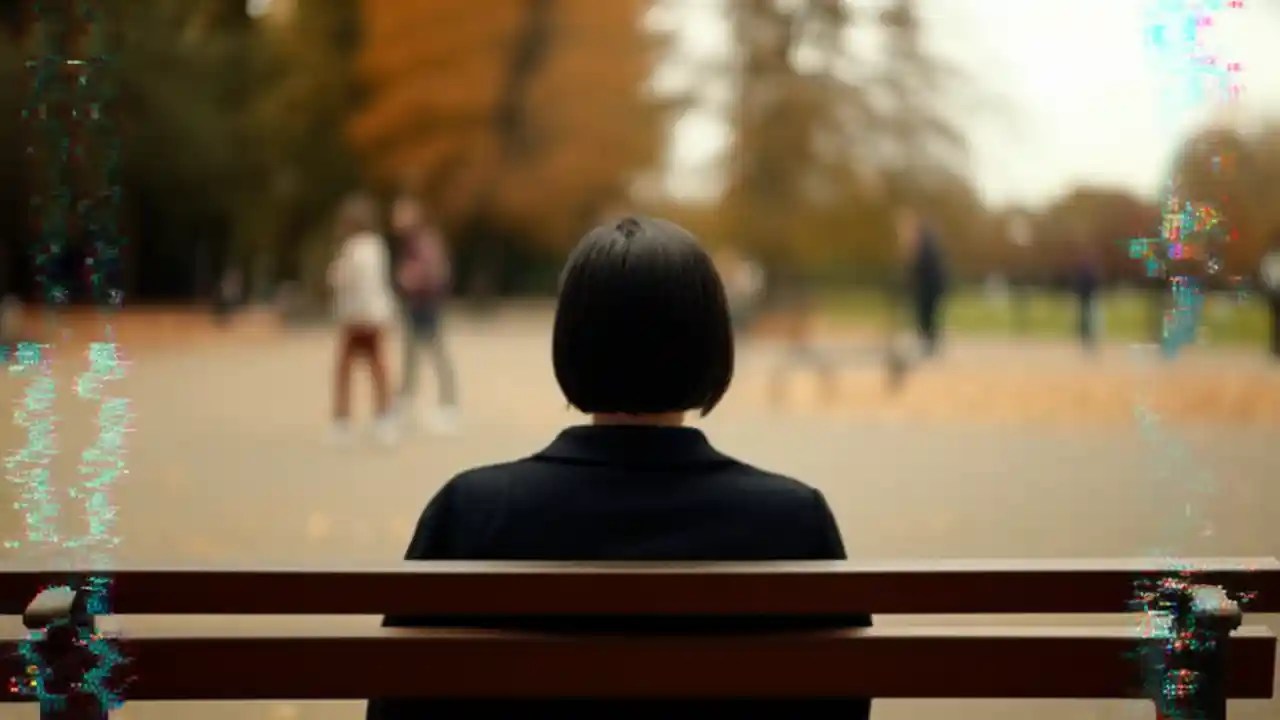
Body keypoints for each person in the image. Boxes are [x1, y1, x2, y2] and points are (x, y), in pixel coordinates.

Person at [367, 216, 870, 719]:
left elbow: (396, 706)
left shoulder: (469, 512)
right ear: (713, 346)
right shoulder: (792, 521)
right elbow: (843, 706)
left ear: (569, 344)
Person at [327, 194, 398, 445]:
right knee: (378, 369)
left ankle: (343, 420)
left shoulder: (354, 248)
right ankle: (385, 418)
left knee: (346, 369)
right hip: (376, 314)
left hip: (358, 316)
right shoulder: (377, 246)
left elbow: (344, 279)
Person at [390, 194, 459, 434]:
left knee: (436, 353)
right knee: (411, 356)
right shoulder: (409, 243)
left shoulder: (425, 241)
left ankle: (449, 406)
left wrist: (412, 277)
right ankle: (405, 404)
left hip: (426, 304)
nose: (396, 220)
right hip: (414, 304)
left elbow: (438, 272)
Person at [898, 208, 948, 358]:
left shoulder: (924, 244)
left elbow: (922, 268)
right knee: (925, 315)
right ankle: (927, 343)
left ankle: (929, 344)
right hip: (928, 287)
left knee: (927, 315)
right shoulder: (924, 243)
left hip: (931, 287)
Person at [1072, 243, 1102, 352]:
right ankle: (1086, 337)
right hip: (1086, 297)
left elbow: (1090, 283)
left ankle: (1087, 337)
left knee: (1087, 318)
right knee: (1087, 319)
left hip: (1086, 297)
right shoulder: (1087, 271)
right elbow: (1092, 283)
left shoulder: (1086, 271)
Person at [1261, 232, 1280, 360]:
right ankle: (1275, 348)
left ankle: (1275, 348)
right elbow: (1266, 274)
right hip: (1274, 291)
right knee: (1275, 321)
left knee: (1275, 321)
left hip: (1273, 290)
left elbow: (1265, 274)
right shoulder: (1270, 258)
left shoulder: (1269, 258)